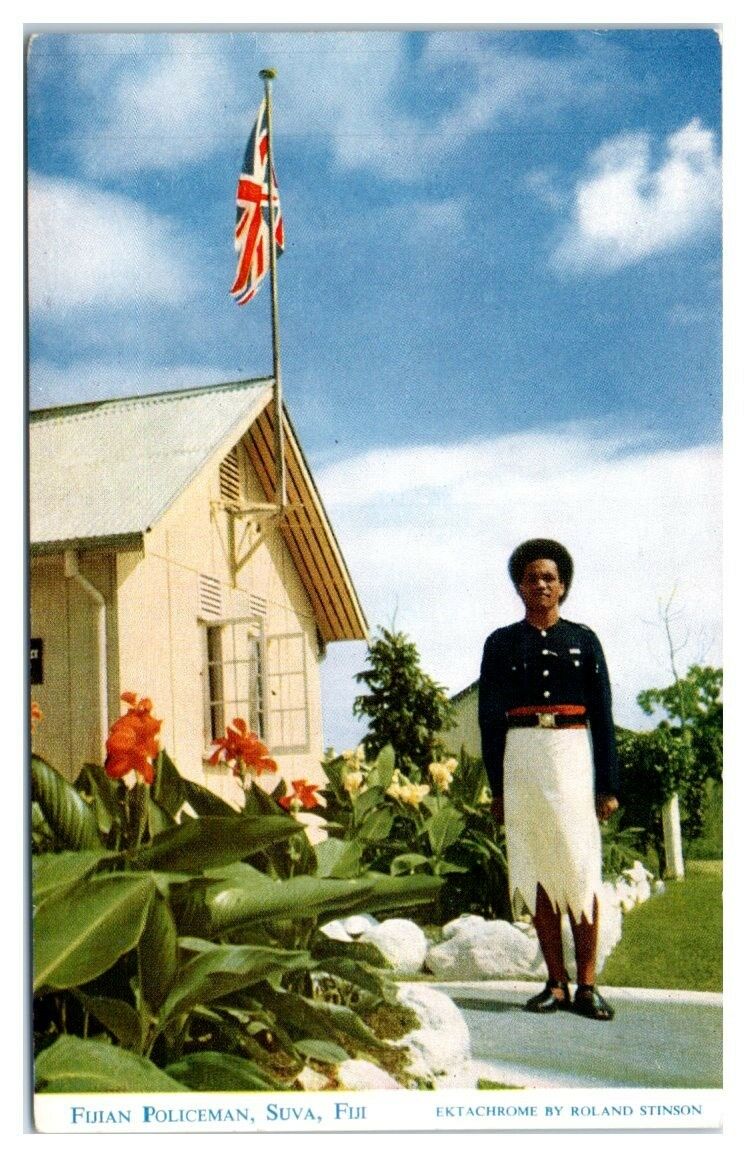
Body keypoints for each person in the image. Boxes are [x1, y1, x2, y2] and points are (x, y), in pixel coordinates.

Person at [478, 539, 620, 1020]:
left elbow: (603, 714)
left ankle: (587, 985)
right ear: (519, 585)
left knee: (579, 870)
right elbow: (488, 720)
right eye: (532, 577)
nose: (541, 585)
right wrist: (497, 790)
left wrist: (608, 786)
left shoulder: (584, 639)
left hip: (571, 753)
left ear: (562, 586)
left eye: (550, 578)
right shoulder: (500, 643)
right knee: (538, 869)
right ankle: (555, 984)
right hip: (522, 757)